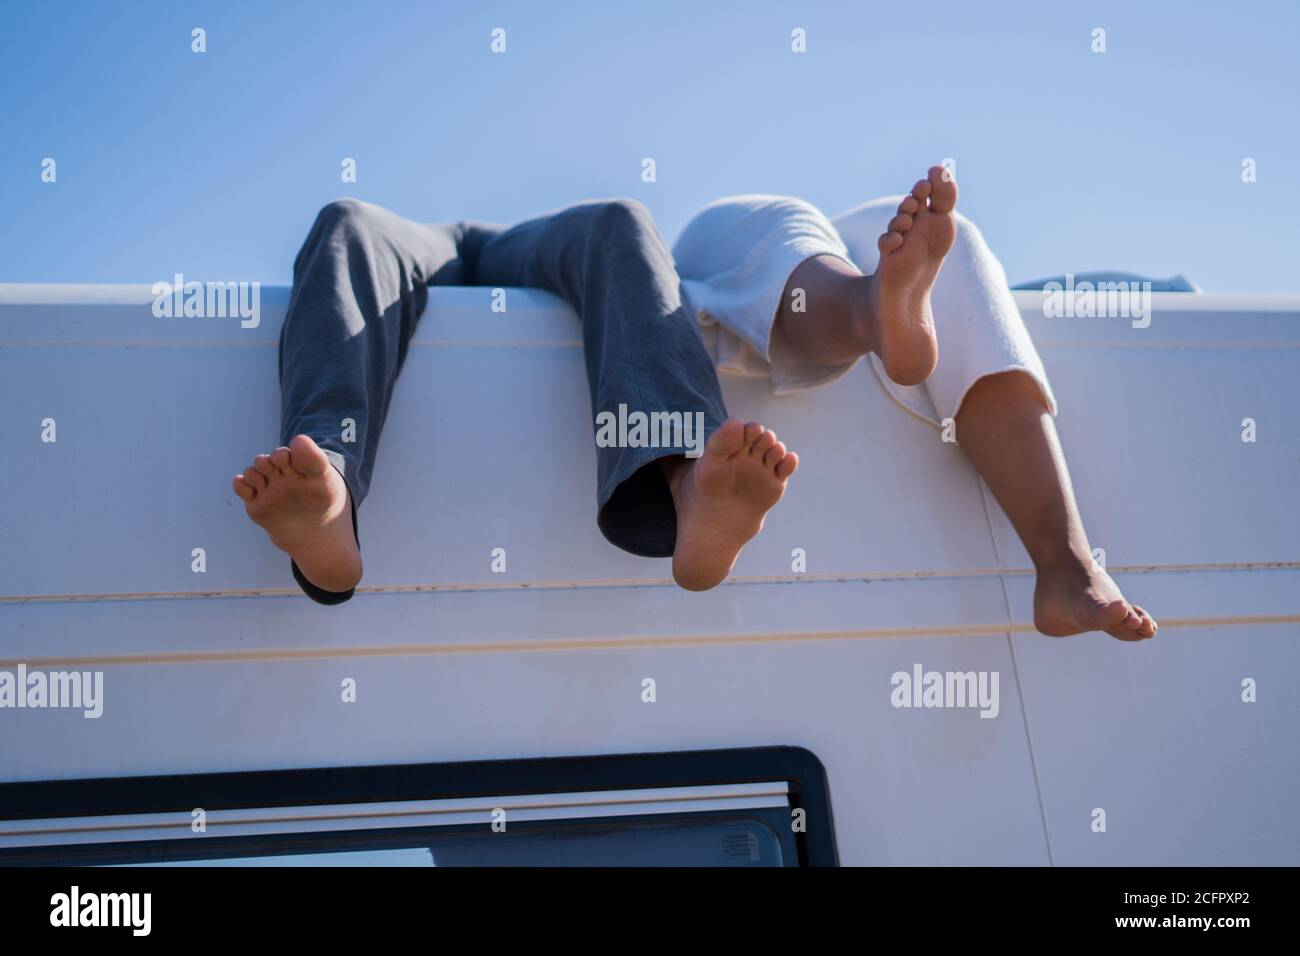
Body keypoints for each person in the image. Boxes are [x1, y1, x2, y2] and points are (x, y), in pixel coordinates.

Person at [672, 166, 1157, 641]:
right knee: (785, 225)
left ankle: (1068, 567)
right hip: (684, 263)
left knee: (957, 245)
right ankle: (867, 308)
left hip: (793, 257)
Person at [232, 198, 798, 604]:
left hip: (513, 242)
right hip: (416, 241)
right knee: (347, 221)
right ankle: (327, 489)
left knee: (619, 221)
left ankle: (686, 483)